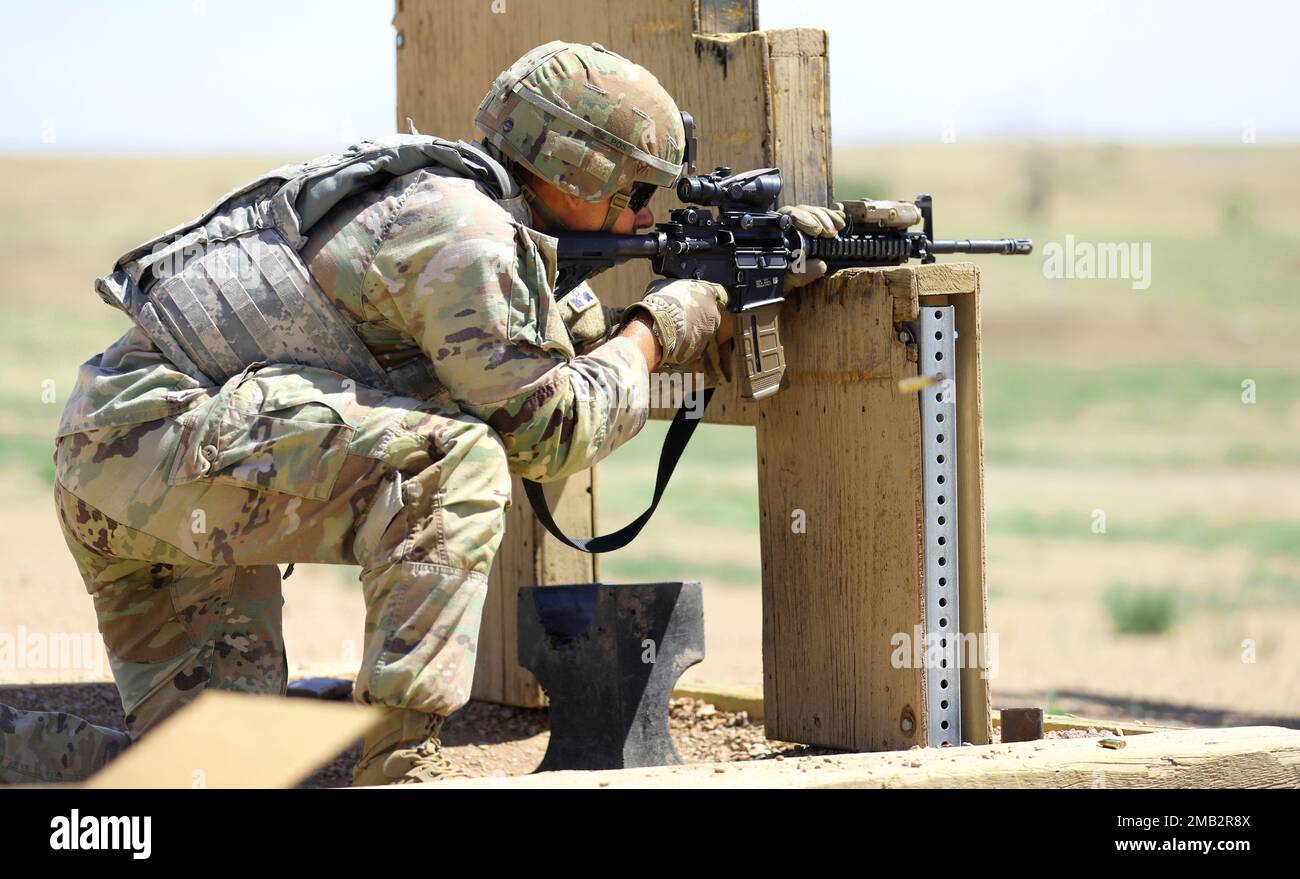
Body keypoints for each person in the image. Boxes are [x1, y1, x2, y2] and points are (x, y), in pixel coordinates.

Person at [0, 40, 844, 786]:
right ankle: (402, 765)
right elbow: (550, 429)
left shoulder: (452, 207)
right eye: (635, 192)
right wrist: (662, 327)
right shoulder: (466, 233)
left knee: (212, 770)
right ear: (576, 168)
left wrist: (765, 262)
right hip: (156, 442)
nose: (643, 217)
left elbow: (513, 347)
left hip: (123, 457)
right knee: (457, 461)